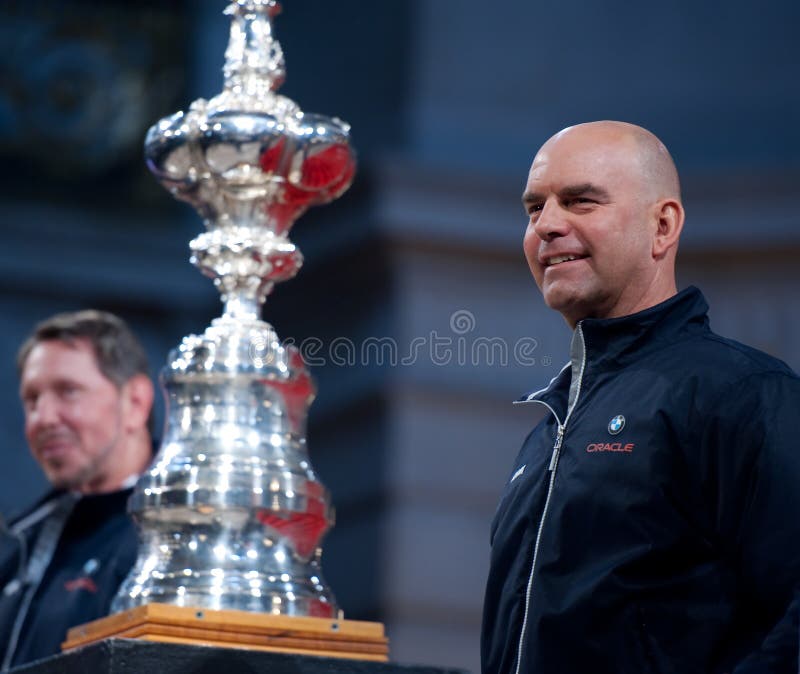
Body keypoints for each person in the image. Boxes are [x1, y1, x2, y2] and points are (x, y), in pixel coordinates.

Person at [481, 121, 800, 674]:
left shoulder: (742, 394)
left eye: (580, 201)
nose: (547, 226)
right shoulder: (551, 427)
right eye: (534, 209)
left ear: (662, 225)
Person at [0, 310, 154, 670]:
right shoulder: (17, 543)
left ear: (135, 402)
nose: (43, 418)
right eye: (32, 399)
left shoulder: (183, 534)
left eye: (68, 392)